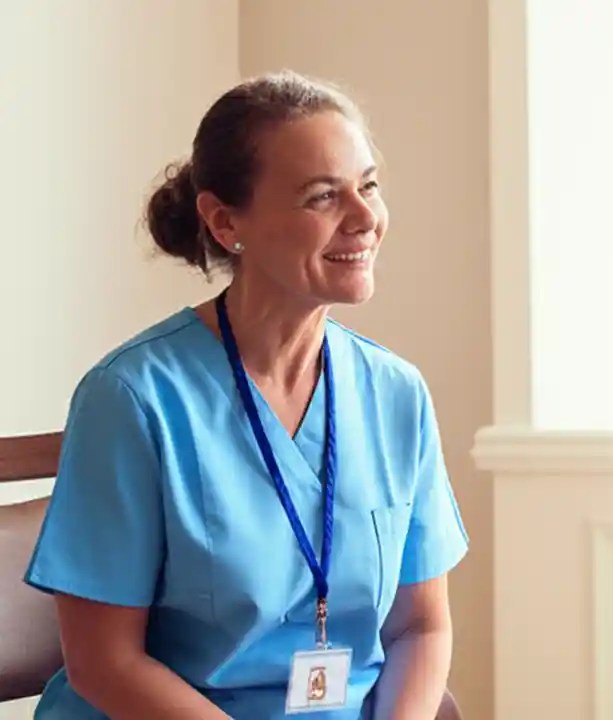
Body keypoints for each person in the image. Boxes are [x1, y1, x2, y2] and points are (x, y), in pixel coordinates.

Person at [23, 71, 468, 719]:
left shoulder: (396, 394)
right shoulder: (132, 399)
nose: (366, 218)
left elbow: (419, 627)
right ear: (226, 220)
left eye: (368, 186)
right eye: (323, 196)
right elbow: (104, 663)